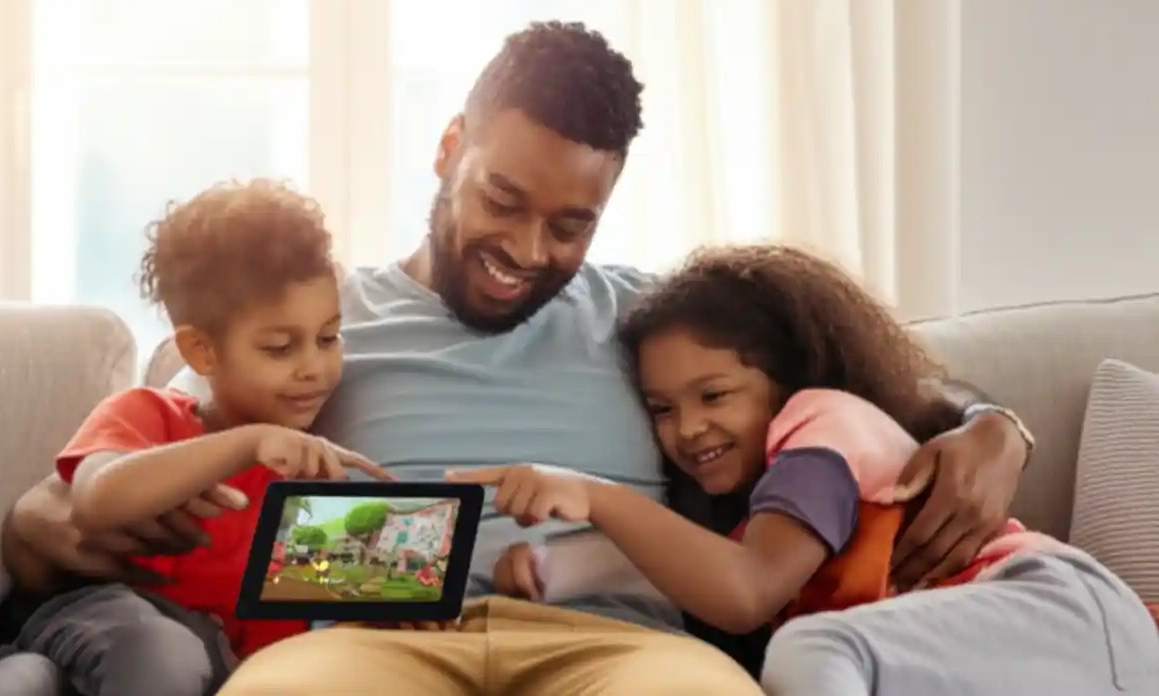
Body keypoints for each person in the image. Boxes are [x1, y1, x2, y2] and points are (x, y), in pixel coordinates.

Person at [0, 22, 1033, 694]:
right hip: (365, 645)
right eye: (503, 200)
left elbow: (860, 393)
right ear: (449, 149)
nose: (526, 252)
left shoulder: (652, 320)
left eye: (569, 224)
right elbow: (133, 465)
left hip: (620, 648)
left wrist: (995, 427)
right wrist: (40, 520)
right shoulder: (315, 326)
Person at [469, 244, 1159, 695]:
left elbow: (745, 590)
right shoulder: (762, 518)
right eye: (662, 408)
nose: (689, 429)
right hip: (1015, 661)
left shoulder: (822, 428)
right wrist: (551, 571)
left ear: (784, 377)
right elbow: (700, 569)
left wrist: (595, 495)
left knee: (806, 652)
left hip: (1059, 609)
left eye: (714, 396)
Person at [0, 179, 389, 696]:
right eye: (280, 348)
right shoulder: (151, 416)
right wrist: (246, 443)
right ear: (201, 352)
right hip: (112, 624)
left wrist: (392, 609)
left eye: (328, 338)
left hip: (220, 661)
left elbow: (330, 609)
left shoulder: (312, 473)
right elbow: (96, 499)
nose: (314, 368)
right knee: (163, 654)